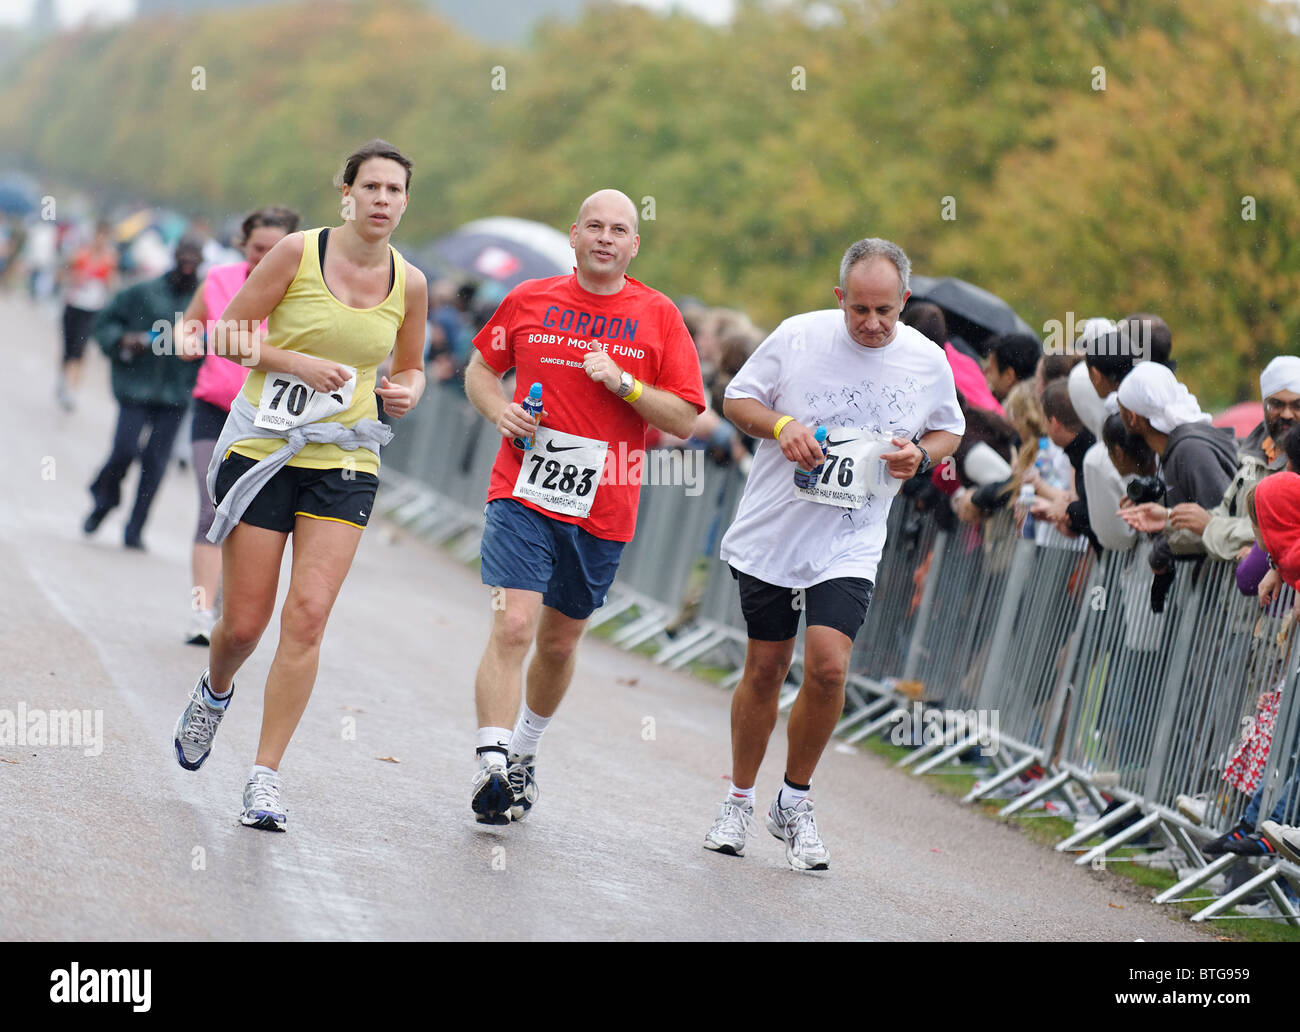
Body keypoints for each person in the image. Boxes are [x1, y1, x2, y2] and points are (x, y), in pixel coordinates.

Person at [170, 140, 428, 831]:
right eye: (369, 186)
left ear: (406, 202)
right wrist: (296, 362)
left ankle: (264, 778)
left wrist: (405, 393)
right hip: (263, 449)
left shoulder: (412, 281)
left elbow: (411, 367)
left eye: (393, 190)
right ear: (345, 194)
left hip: (345, 461)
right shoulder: (296, 254)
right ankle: (214, 690)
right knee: (245, 624)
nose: (381, 199)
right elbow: (226, 336)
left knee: (308, 615)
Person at [704, 237, 964, 870]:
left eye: (886, 312)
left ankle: (794, 801)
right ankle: (738, 799)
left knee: (825, 667)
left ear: (905, 301)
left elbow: (949, 426)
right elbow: (737, 400)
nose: (873, 325)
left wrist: (922, 456)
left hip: (850, 538)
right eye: (860, 311)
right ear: (840, 298)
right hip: (776, 530)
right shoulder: (798, 337)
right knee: (766, 668)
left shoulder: (927, 360)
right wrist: (783, 427)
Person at [462, 188, 706, 825]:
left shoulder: (658, 316)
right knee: (514, 624)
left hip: (605, 500)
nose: (604, 238)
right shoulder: (529, 299)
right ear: (573, 235)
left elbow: (683, 416)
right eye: (593, 226)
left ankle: (523, 754)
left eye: (618, 230)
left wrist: (625, 384)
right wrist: (499, 410)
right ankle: (490, 761)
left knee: (560, 643)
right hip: (522, 486)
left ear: (633, 244)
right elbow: (480, 370)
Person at [176, 205, 301, 645]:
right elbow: (188, 326)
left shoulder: (303, 288)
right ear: (243, 245)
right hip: (214, 409)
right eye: (257, 248)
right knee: (212, 507)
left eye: (275, 249)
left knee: (248, 519)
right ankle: (199, 608)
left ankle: (229, 605)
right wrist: (188, 340)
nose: (265, 257)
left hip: (271, 420)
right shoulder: (220, 280)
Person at [83, 238, 204, 549]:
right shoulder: (143, 291)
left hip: (177, 393)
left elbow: (220, 341)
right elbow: (105, 322)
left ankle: (135, 527)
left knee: (156, 462)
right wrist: (124, 341)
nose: (188, 263)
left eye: (194, 258)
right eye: (183, 256)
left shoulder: (204, 299)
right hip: (136, 387)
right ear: (173, 256)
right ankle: (103, 499)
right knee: (124, 450)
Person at [1116, 362, 1237, 610]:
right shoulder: (1176, 447)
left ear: (1132, 416)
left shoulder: (1190, 449)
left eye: (1121, 409)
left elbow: (1220, 518)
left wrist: (1162, 549)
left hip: (1226, 596)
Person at [57, 220, 118, 410]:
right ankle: (63, 379)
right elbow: (61, 274)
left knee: (80, 348)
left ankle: (72, 390)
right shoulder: (80, 253)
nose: (100, 239)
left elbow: (113, 284)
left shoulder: (110, 259)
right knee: (68, 346)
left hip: (92, 309)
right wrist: (73, 277)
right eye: (98, 235)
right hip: (73, 304)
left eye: (104, 236)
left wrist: (106, 283)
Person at [982, 332, 1041, 403]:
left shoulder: (993, 408)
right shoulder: (1042, 406)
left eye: (989, 370)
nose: (984, 374)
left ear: (1008, 376)